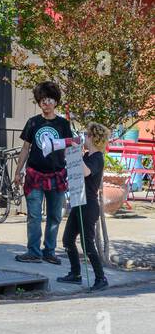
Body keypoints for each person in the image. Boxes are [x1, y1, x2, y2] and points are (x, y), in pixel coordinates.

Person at [14, 81, 72, 264]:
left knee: (55, 216)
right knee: (34, 215)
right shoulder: (33, 122)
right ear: (39, 102)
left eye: (50, 100)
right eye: (43, 100)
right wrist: (18, 171)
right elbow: (25, 148)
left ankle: (50, 251)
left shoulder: (63, 124)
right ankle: (33, 252)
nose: (46, 103)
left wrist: (77, 171)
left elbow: (70, 148)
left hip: (57, 175)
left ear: (56, 102)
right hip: (34, 174)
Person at [58, 122, 109, 291]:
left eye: (87, 134)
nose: (84, 137)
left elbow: (87, 172)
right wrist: (71, 153)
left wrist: (77, 154)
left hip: (89, 206)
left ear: (93, 137)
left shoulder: (97, 158)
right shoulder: (87, 156)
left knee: (87, 244)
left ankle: (101, 278)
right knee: (67, 240)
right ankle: (75, 274)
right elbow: (76, 171)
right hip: (79, 201)